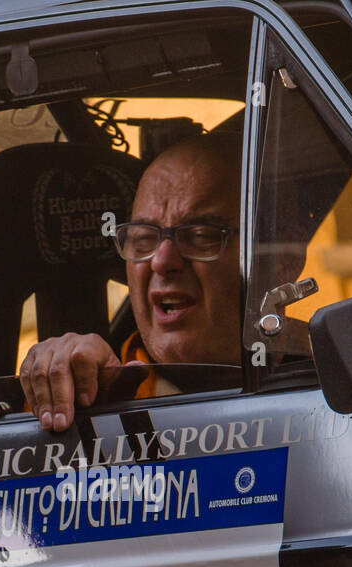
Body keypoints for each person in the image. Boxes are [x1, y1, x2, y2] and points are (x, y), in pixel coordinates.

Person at [20, 132, 242, 431]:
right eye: (143, 239)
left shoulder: (319, 376)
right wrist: (63, 379)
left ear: (282, 257)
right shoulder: (85, 398)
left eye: (200, 235)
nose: (162, 261)